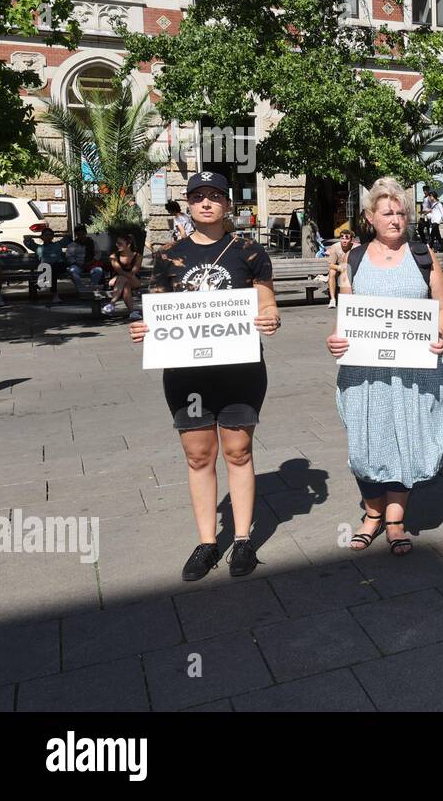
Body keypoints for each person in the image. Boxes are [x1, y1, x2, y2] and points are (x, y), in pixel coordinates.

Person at [128, 171, 280, 580]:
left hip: (240, 369)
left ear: (227, 204)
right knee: (198, 456)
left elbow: (266, 300)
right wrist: (144, 328)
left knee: (238, 452)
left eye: (215, 196)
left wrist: (269, 318)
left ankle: (244, 540)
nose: (206, 203)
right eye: (198, 197)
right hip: (186, 373)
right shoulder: (167, 256)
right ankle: (207, 542)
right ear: (189, 204)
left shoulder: (248, 252)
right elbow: (156, 311)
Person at [326, 177, 443, 556]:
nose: (395, 219)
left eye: (400, 212)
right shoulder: (355, 258)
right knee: (365, 442)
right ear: (370, 217)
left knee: (406, 440)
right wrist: (336, 339)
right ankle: (371, 515)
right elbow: (347, 314)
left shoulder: (423, 255)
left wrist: (439, 333)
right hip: (365, 372)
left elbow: (442, 306)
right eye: (387, 213)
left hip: (414, 369)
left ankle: (395, 520)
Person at [103, 233, 143, 319]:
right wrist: (121, 277)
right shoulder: (113, 256)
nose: (117, 245)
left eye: (120, 243)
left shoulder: (138, 256)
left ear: (128, 245)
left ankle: (112, 304)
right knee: (125, 285)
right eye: (117, 243)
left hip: (133, 279)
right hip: (119, 280)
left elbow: (133, 273)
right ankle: (132, 312)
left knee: (123, 278)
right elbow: (119, 271)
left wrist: (120, 277)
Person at [65, 225, 104, 294]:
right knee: (72, 271)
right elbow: (70, 257)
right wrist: (77, 263)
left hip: (91, 264)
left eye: (82, 234)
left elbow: (98, 254)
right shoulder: (72, 245)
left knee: (98, 270)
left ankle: (92, 287)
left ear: (85, 233)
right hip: (77, 265)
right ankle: (81, 288)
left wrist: (91, 262)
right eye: (78, 234)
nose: (81, 236)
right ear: (76, 235)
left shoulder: (92, 242)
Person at [35, 228, 68, 305]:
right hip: (47, 267)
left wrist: (56, 235)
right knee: (51, 269)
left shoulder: (58, 244)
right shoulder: (38, 247)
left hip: (60, 266)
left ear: (53, 237)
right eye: (46, 235)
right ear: (42, 237)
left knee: (53, 267)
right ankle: (54, 295)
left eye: (50, 235)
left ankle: (44, 282)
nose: (48, 237)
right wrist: (38, 236)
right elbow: (26, 239)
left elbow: (68, 238)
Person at [326, 228, 356, 308]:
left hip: (351, 269)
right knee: (332, 272)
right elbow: (330, 264)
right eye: (342, 238)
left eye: (347, 238)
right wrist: (339, 267)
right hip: (339, 268)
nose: (344, 241)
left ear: (351, 240)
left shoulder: (355, 248)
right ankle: (332, 300)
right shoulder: (335, 247)